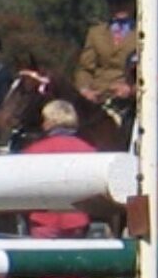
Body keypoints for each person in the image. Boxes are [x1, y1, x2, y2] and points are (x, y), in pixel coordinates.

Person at [20, 98, 99, 256]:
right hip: (77, 217)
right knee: (74, 271)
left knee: (48, 272)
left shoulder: (34, 151)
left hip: (43, 218)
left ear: (50, 122)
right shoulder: (89, 150)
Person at [75, 0, 136, 114]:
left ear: (132, 4)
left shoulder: (142, 34)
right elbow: (85, 68)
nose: (120, 7)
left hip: (128, 100)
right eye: (115, 3)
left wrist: (131, 90)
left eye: (124, 2)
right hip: (98, 97)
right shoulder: (95, 33)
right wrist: (85, 89)